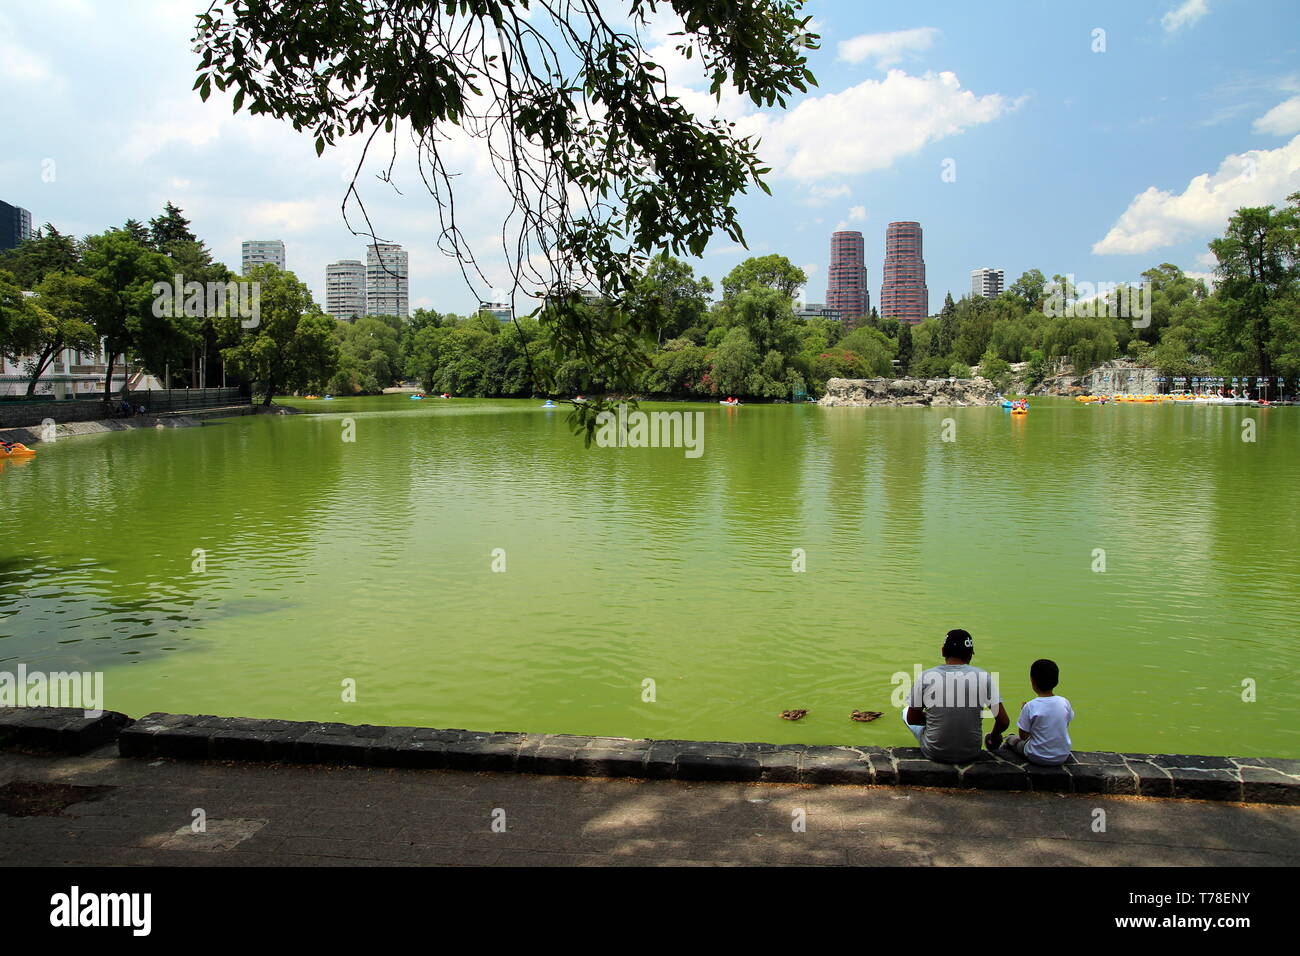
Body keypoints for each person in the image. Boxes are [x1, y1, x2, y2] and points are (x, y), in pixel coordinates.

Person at [902, 629, 1009, 763]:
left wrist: (934, 719)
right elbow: (1003, 721)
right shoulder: (983, 677)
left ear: (942, 651)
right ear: (970, 654)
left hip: (935, 752)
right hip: (971, 752)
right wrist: (993, 737)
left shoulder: (926, 676)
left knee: (905, 711)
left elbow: (911, 718)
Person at [1001, 659, 1074, 766]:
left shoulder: (1030, 706)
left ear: (1032, 680)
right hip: (1062, 755)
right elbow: (1065, 722)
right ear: (1056, 681)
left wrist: (1024, 712)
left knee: (1013, 740)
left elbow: (1023, 736)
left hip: (1036, 755)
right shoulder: (1064, 702)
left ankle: (1003, 747)